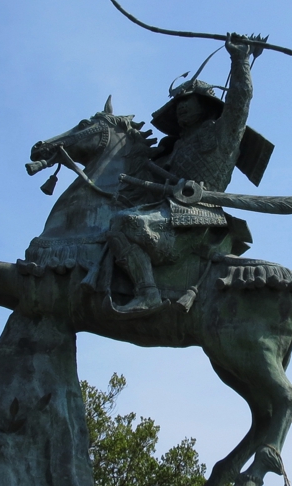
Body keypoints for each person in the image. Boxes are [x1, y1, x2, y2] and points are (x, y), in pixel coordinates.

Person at [105, 37, 259, 314]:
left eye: (188, 101)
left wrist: (240, 60)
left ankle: (148, 293)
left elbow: (240, 101)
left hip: (201, 213)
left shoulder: (222, 134)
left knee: (122, 224)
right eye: (178, 104)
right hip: (168, 209)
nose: (181, 107)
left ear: (206, 105)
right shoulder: (174, 147)